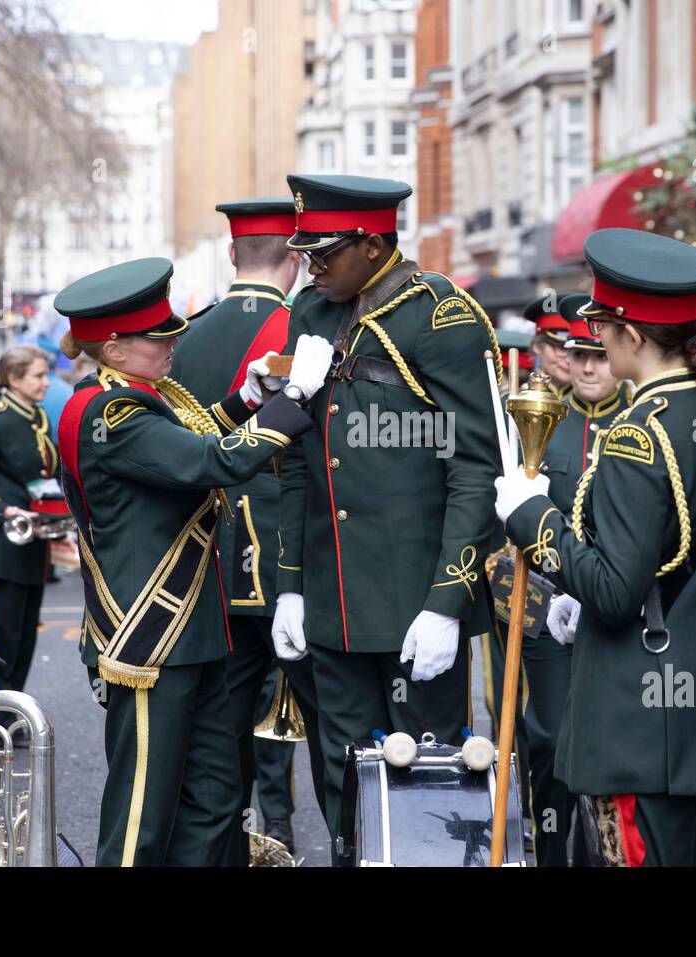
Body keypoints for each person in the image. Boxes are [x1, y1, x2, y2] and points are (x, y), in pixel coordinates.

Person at [53, 256, 332, 867]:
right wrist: (294, 399)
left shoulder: (133, 397)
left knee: (215, 797)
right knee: (143, 810)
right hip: (150, 632)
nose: (172, 344)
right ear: (114, 348)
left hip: (191, 627)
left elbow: (196, 436)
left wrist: (251, 398)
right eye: (157, 338)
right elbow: (211, 462)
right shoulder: (113, 413)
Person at [495, 228, 696, 866]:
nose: (596, 342)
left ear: (632, 336)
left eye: (602, 327)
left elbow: (616, 592)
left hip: (643, 711)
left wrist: (532, 516)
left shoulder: (637, 433)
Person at [272, 173, 502, 861]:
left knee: (429, 788)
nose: (311, 268)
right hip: (332, 600)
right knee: (344, 780)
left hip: (413, 604)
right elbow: (297, 458)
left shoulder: (441, 315)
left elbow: (476, 466)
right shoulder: (311, 311)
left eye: (324, 254)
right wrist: (290, 583)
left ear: (372, 245)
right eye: (305, 255)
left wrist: (447, 602)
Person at [169, 197, 326, 861]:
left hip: (208, 556)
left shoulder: (185, 335)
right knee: (328, 726)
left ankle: (229, 845)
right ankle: (313, 833)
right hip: (292, 555)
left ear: (232, 254)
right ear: (298, 259)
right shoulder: (305, 329)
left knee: (218, 732)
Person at [525, 297, 631, 866]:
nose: (588, 367)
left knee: (606, 739)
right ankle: (549, 851)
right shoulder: (542, 419)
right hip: (550, 607)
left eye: (599, 355)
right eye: (578, 355)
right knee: (547, 737)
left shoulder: (640, 423)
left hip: (616, 605)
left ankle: (600, 854)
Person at [0, 344, 57, 705]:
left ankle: (11, 716)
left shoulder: (38, 416)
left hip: (32, 544)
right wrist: (5, 510)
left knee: (22, 644)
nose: (46, 382)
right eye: (39, 376)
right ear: (14, 379)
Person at [524, 293, 573, 399]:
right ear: (537, 347)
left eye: (579, 353)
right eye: (562, 348)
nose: (569, 360)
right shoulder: (514, 399)